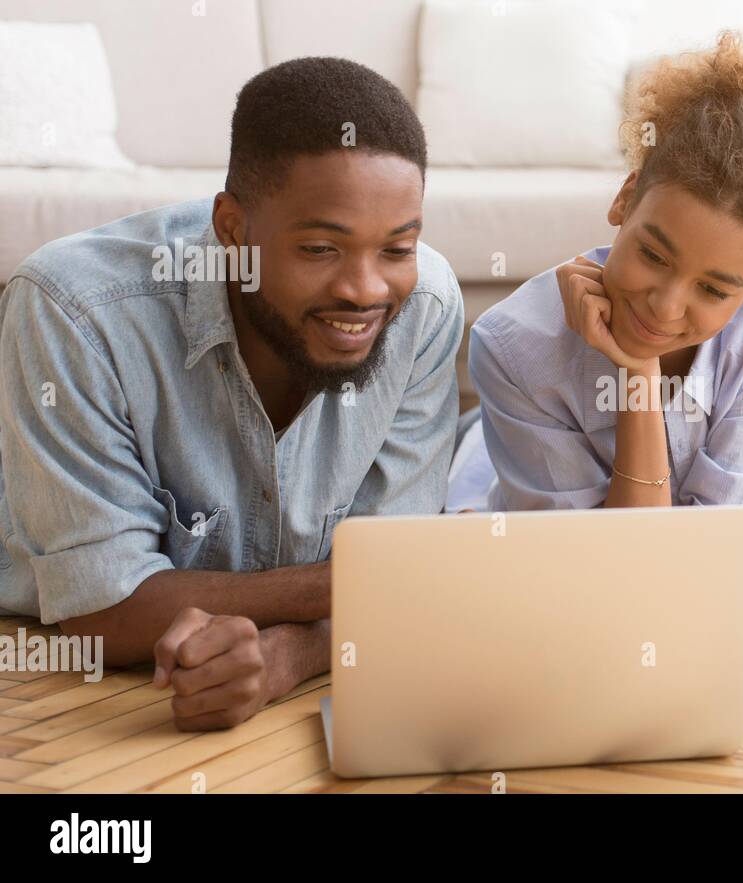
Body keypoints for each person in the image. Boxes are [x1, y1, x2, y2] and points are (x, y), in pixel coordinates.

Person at [0, 57, 463, 730]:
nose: (366, 289)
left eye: (396, 249)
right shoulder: (73, 309)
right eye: (320, 250)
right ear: (232, 227)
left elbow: (397, 581)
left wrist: (286, 658)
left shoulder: (426, 305)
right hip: (63, 680)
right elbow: (101, 609)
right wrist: (352, 584)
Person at [447, 33, 743, 607]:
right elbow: (606, 583)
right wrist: (639, 377)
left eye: (712, 288)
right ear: (625, 200)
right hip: (556, 571)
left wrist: (638, 368)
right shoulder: (515, 344)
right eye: (653, 256)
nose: (664, 307)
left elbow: (706, 569)